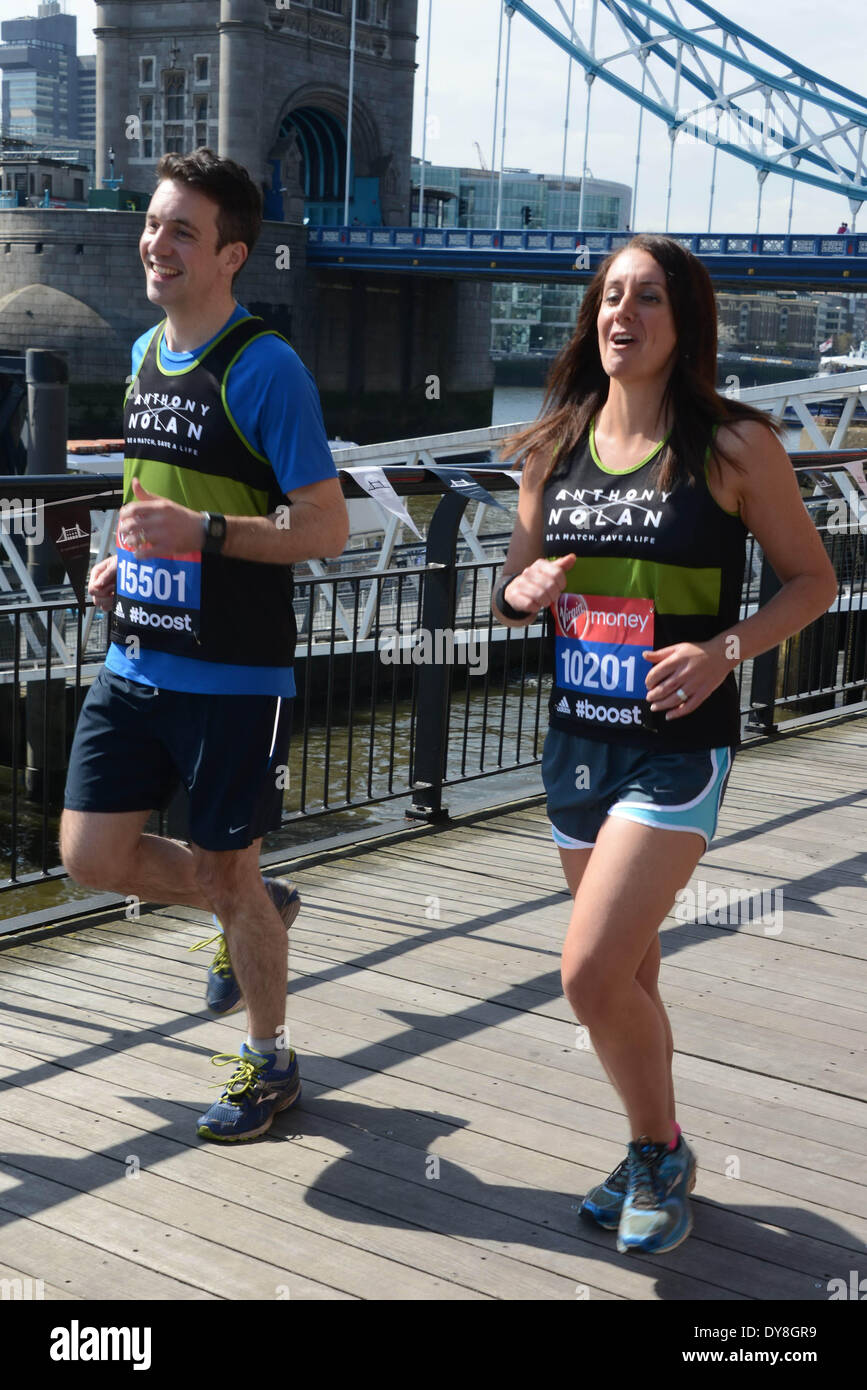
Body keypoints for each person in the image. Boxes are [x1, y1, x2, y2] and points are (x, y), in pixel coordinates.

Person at [492, 233, 837, 1255]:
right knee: (630, 977)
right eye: (609, 296)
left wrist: (724, 650)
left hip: (678, 746)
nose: (621, 314)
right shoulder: (553, 444)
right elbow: (513, 590)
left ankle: (659, 1150)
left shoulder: (732, 445)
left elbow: (810, 580)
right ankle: (655, 1142)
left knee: (588, 972)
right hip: (577, 744)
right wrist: (525, 592)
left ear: (683, 325)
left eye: (647, 298)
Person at [61, 148, 349, 1142]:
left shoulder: (265, 368)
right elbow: (153, 502)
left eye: (181, 230)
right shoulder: (147, 356)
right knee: (89, 854)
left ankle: (268, 1059)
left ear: (232, 254)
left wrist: (210, 535)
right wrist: (122, 559)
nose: (156, 242)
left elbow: (323, 528)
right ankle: (252, 904)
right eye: (153, 223)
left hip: (234, 674)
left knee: (228, 873)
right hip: (137, 656)